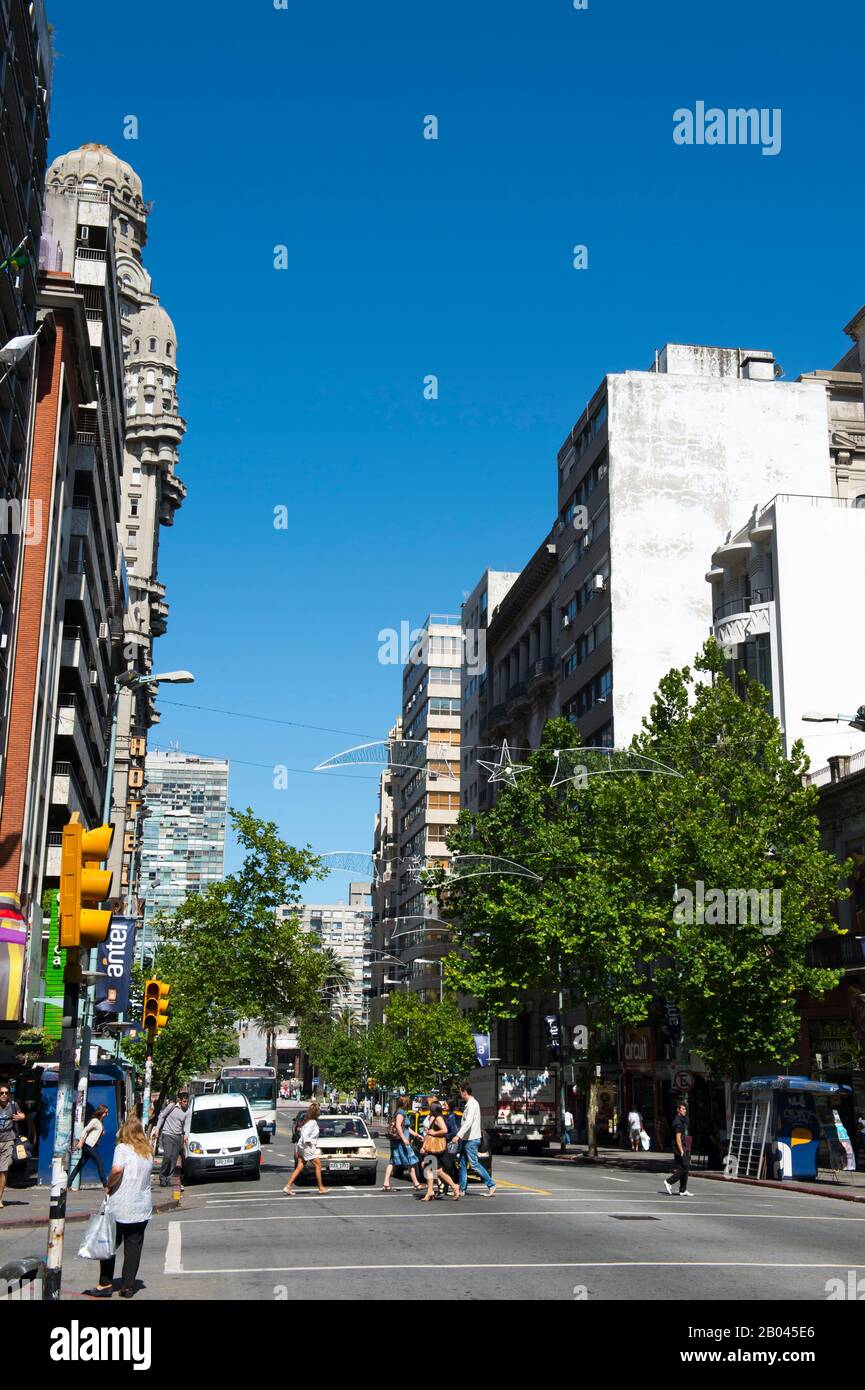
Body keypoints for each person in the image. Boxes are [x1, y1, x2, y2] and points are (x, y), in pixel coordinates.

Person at [83, 1116, 154, 1299]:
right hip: (140, 1207)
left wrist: (108, 1185)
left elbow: (116, 1170)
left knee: (108, 1244)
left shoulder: (122, 1148)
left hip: (120, 1206)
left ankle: (105, 1284)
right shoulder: (147, 1152)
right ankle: (128, 1286)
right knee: (133, 1247)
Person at [456, 1084, 496, 1196]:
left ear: (464, 1092)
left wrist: (458, 1135)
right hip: (467, 1139)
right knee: (462, 1164)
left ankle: (491, 1184)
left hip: (471, 1139)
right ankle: (462, 1189)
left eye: (460, 1091)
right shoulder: (469, 1104)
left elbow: (468, 1122)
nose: (460, 1094)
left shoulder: (473, 1104)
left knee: (474, 1164)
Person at [419, 1102, 461, 1202]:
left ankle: (454, 1186)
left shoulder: (438, 1118)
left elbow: (445, 1130)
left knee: (437, 1171)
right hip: (433, 1148)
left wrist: (434, 1133)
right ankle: (430, 1191)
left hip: (438, 1148)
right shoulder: (433, 1117)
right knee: (429, 1169)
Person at [283, 1103, 329, 1195]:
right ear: (316, 1112)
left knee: (300, 1166)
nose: (320, 1111)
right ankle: (321, 1187)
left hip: (301, 1146)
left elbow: (302, 1133)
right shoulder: (312, 1123)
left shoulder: (307, 1122)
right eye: (319, 1110)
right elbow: (305, 1135)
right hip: (307, 1147)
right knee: (318, 1165)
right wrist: (309, 1143)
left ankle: (288, 1186)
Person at [382, 1094, 422, 1192]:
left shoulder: (401, 1112)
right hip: (401, 1142)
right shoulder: (400, 1113)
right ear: (405, 1103)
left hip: (400, 1141)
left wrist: (416, 1135)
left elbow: (406, 1128)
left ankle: (386, 1184)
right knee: (409, 1161)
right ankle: (416, 1184)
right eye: (408, 1101)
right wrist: (404, 1138)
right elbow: (399, 1126)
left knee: (393, 1161)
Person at [153, 1093, 190, 1188]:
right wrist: (157, 1129)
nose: (186, 1103)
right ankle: (162, 1177)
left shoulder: (187, 1111)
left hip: (178, 1136)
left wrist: (186, 1135)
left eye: (187, 1101)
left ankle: (168, 1178)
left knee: (174, 1159)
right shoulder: (172, 1106)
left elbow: (187, 1124)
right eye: (184, 1101)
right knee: (168, 1155)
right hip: (167, 1134)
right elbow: (162, 1116)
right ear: (180, 1101)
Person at [68, 1105, 109, 1189]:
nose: (107, 1114)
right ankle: (105, 1184)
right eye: (106, 1112)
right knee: (100, 1164)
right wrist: (80, 1142)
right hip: (90, 1147)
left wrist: (101, 1132)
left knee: (80, 1165)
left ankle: (68, 1183)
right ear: (101, 1112)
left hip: (90, 1146)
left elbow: (95, 1132)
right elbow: (85, 1130)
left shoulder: (100, 1122)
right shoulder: (95, 1121)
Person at [0, 1083, 25, 1209]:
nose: (4, 1095)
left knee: (3, 1170)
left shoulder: (14, 1105)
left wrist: (21, 1117)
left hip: (8, 1140)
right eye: (1, 1093)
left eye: (6, 1093)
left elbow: (22, 1115)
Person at [664, 1102, 692, 1196]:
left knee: (684, 1167)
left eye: (685, 1109)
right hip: (678, 1147)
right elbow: (678, 1137)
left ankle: (683, 1190)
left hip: (683, 1145)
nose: (685, 1111)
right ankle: (669, 1182)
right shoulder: (678, 1122)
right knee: (685, 1167)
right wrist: (681, 1150)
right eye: (683, 1109)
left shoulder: (683, 1119)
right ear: (678, 1110)